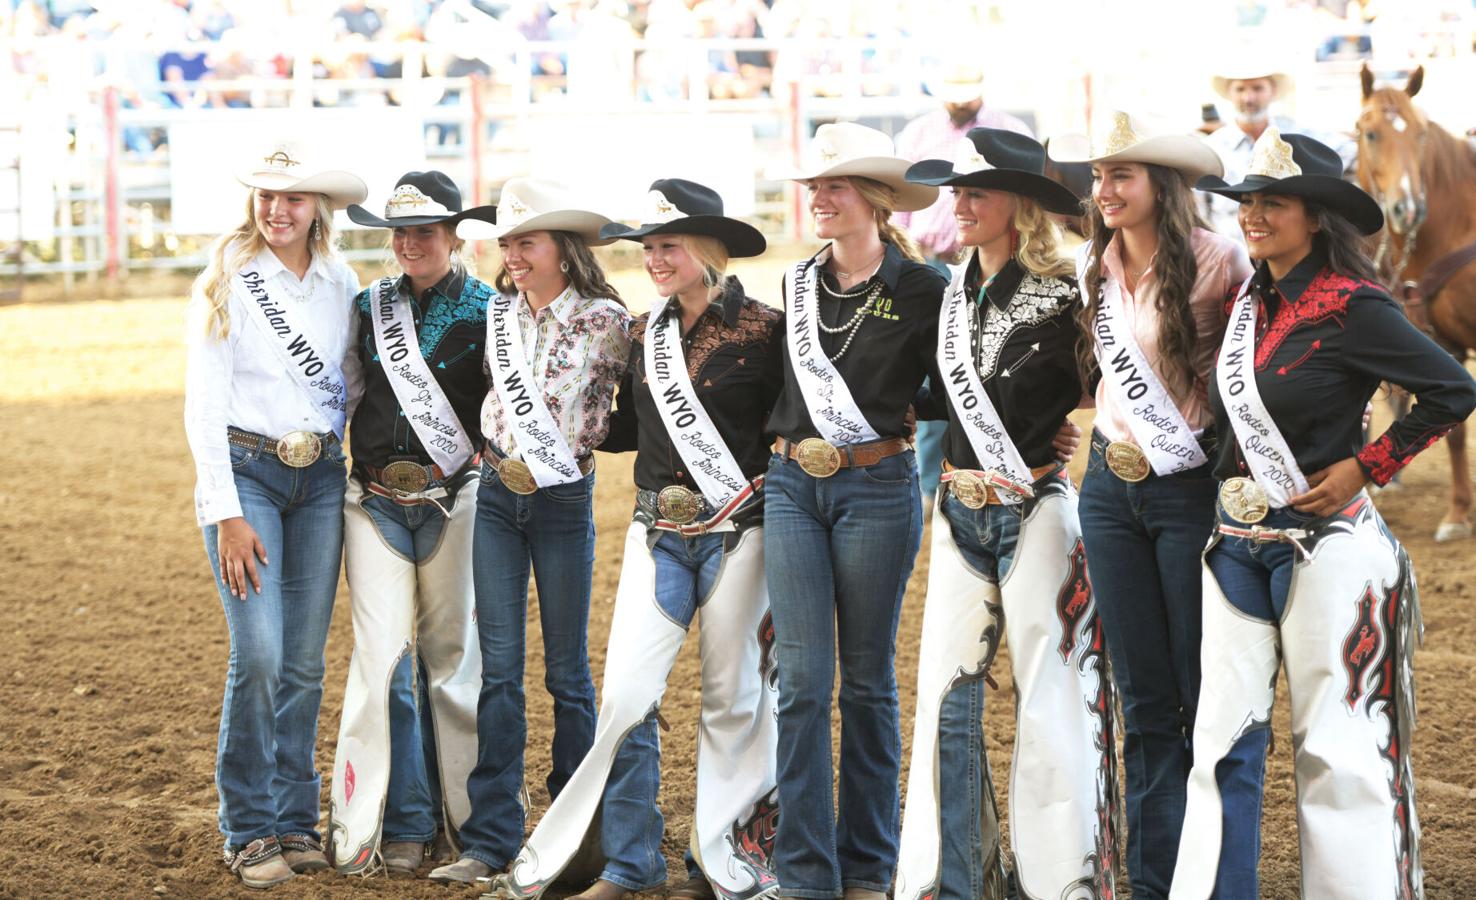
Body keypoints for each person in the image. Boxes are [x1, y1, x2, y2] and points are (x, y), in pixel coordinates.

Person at [1173, 130, 1476, 899]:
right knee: (1221, 743)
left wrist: (1366, 467)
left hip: (1326, 547)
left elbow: (1452, 389)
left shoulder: (1354, 306)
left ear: (1315, 217)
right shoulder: (1250, 301)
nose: (1255, 216)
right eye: (1249, 203)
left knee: (1336, 748)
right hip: (1238, 546)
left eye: (1274, 203)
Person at [483, 178, 784, 900]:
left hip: (739, 531)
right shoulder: (645, 332)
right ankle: (629, 863)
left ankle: (722, 863)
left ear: (706, 250)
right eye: (647, 248)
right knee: (624, 695)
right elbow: (623, 424)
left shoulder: (768, 330)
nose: (653, 259)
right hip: (658, 532)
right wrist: (551, 431)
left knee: (733, 700)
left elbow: (793, 420)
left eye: (667, 246)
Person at [894, 128, 1117, 900]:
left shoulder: (1067, 294)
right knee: (945, 698)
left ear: (1019, 205)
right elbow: (936, 394)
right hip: (959, 507)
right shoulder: (950, 290)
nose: (960, 203)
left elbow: (1099, 391)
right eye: (958, 191)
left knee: (1050, 690)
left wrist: (1060, 423)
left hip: (1036, 505)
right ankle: (950, 879)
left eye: (976, 191)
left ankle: (1059, 880)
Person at [1048, 111, 1254, 899]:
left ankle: (1206, 872)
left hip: (1188, 488)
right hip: (1108, 486)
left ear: (1159, 186)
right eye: (1098, 176)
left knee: (1197, 688)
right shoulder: (1089, 266)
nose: (1102, 190)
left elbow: (1245, 378)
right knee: (1140, 692)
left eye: (1119, 176)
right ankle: (1149, 879)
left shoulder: (1219, 262)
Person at [429, 178, 631, 885]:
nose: (512, 254)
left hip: (562, 499)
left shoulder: (608, 318)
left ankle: (574, 835)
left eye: (526, 241)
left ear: (562, 248)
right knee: (500, 673)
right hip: (496, 493)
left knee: (569, 674)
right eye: (507, 242)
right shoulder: (500, 312)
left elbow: (625, 411)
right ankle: (491, 837)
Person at [766, 121, 945, 900]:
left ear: (876, 200)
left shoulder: (925, 287)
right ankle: (807, 870)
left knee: (867, 680)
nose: (819, 199)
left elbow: (955, 387)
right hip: (790, 489)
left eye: (834, 186)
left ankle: (868, 863)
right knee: (803, 682)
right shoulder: (796, 283)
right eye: (814, 187)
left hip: (877, 487)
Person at [183, 140, 366, 888]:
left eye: (291, 198)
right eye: (265, 195)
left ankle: (295, 818)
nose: (276, 209)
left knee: (301, 661)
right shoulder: (225, 280)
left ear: (318, 208)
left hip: (319, 478)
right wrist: (226, 512)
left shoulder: (340, 281)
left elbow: (349, 383)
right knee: (257, 653)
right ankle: (248, 826)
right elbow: (204, 403)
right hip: (247, 474)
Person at [325, 171, 498, 877]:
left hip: (456, 500)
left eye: (424, 231)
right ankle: (400, 820)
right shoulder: (368, 307)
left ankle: (468, 821)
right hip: (375, 503)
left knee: (454, 664)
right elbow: (344, 393)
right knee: (387, 665)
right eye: (399, 232)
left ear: (455, 236)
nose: (409, 244)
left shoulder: (490, 309)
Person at [894, 63, 1034, 507]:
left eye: (964, 93)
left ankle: (988, 464)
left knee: (992, 366)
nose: (957, 101)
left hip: (996, 261)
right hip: (929, 262)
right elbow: (901, 207)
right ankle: (934, 479)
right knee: (942, 368)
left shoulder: (1008, 129)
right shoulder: (919, 132)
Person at [1200, 60, 1353, 242]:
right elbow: (1200, 212)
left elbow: (1350, 151)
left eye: (1257, 89)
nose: (1249, 98)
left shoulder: (1297, 135)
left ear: (1272, 91)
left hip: (1285, 251)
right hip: (1227, 254)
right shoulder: (1211, 147)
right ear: (1230, 94)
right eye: (1240, 89)